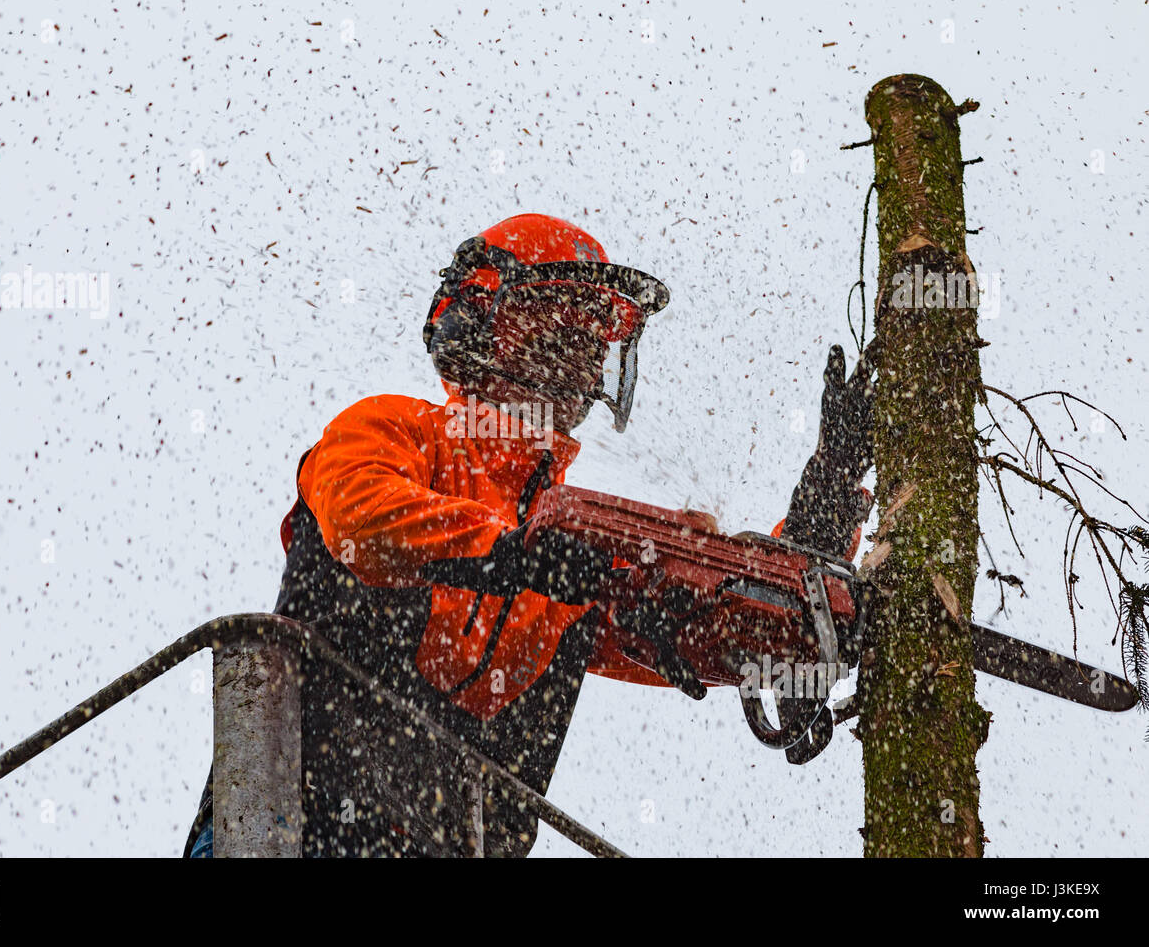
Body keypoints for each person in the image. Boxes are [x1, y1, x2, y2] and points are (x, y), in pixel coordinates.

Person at [185, 213, 874, 857]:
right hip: (289, 824)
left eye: (590, 345)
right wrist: (514, 553)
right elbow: (360, 517)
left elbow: (708, 618)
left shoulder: (572, 537)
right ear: (481, 326)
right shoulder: (396, 429)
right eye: (558, 336)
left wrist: (827, 504)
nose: (577, 363)